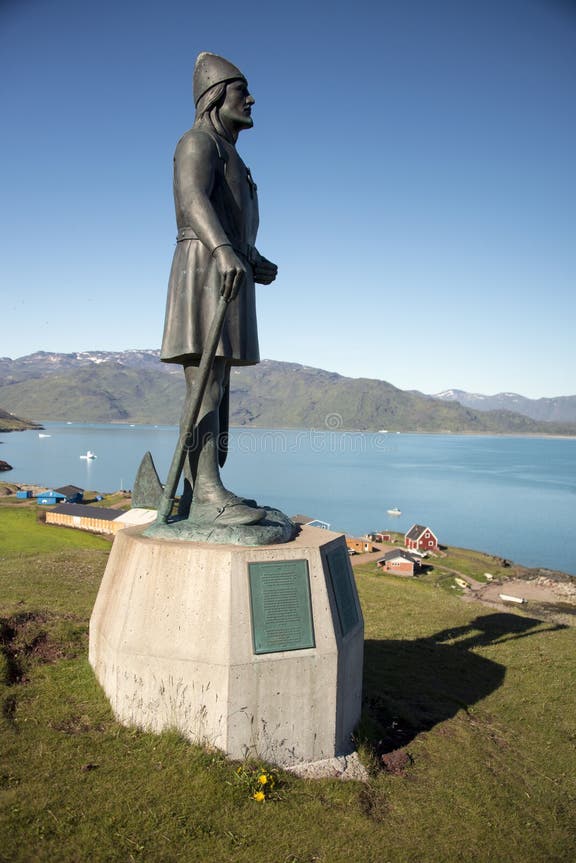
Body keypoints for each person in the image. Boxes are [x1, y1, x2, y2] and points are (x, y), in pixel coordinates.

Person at [160, 53, 278, 526]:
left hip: (227, 265)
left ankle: (205, 486)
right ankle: (207, 493)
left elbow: (231, 216)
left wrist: (251, 256)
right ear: (214, 97)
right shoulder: (197, 141)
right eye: (240, 91)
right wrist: (225, 249)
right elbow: (192, 198)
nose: (251, 100)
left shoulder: (234, 156)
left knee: (220, 383)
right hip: (204, 267)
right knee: (205, 381)